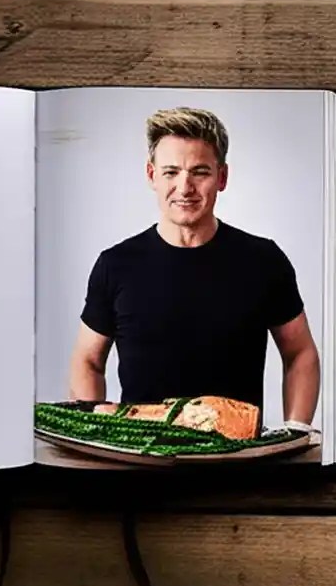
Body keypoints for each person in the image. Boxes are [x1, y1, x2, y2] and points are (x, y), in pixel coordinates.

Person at [67, 107, 320, 429]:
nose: (185, 187)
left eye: (199, 172)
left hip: (236, 460)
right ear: (151, 175)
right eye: (171, 172)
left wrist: (296, 429)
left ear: (222, 177)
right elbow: (87, 360)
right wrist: (98, 434)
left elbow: (300, 352)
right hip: (140, 460)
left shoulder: (263, 260)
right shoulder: (115, 264)